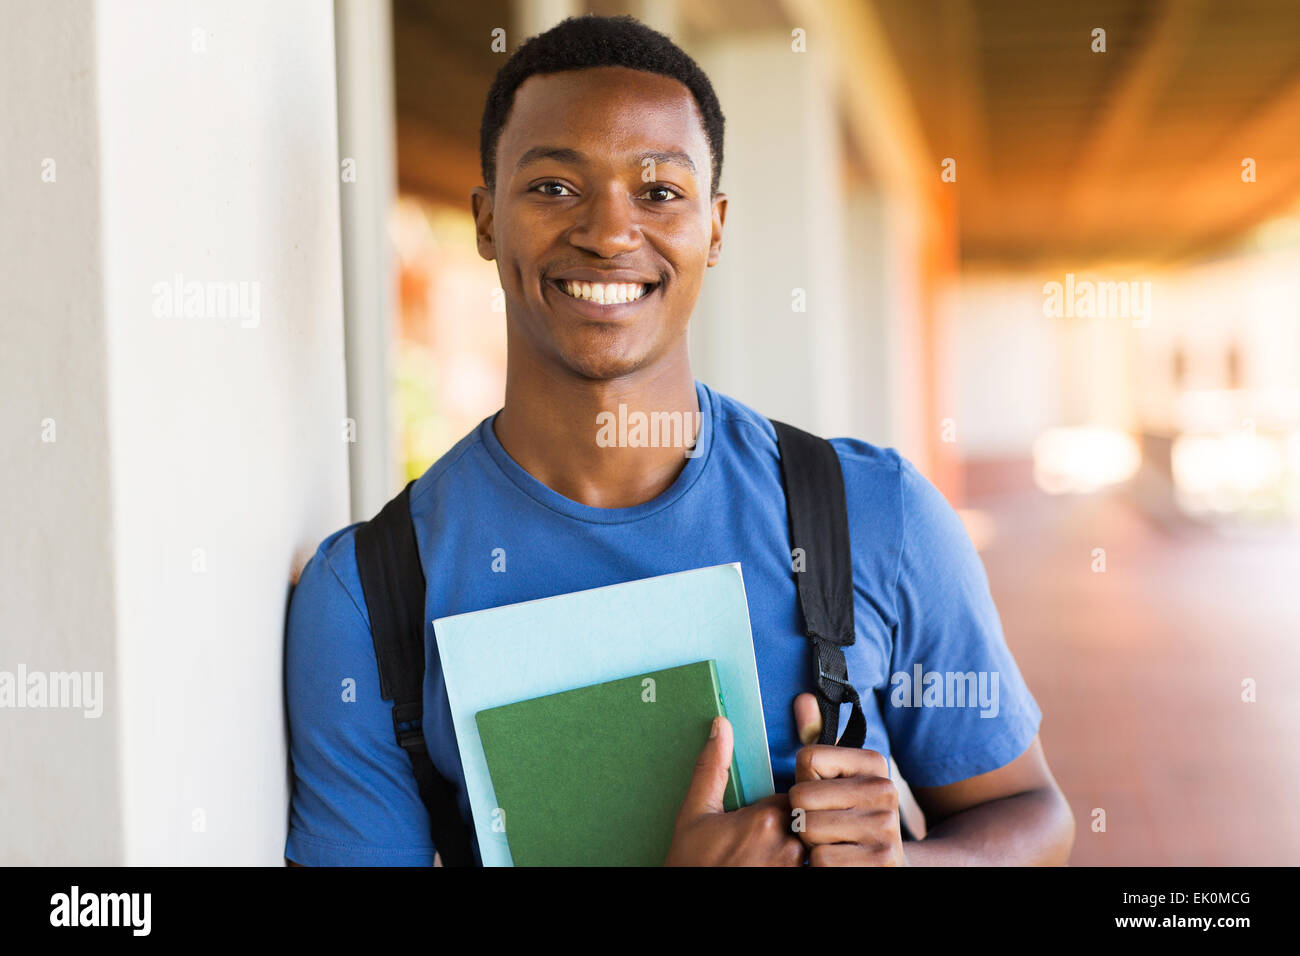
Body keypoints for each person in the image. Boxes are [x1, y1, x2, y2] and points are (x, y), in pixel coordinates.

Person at [284, 14, 1074, 867]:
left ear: (717, 227)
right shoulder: (366, 598)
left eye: (659, 192)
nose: (610, 232)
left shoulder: (872, 515)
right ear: (485, 222)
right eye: (553, 187)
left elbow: (1031, 815)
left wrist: (903, 866)